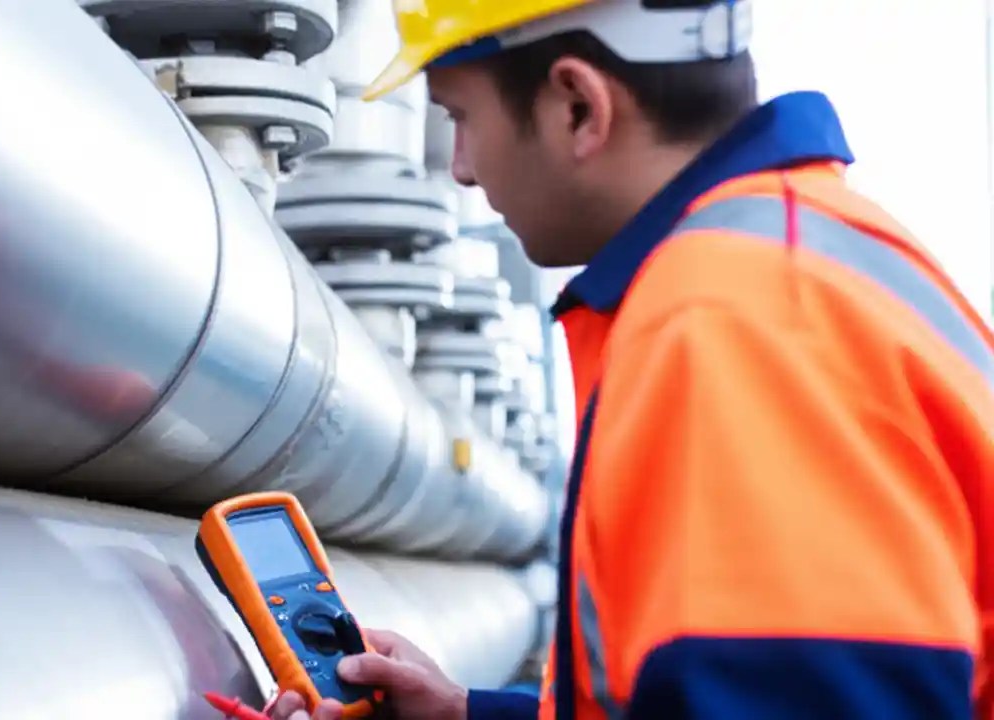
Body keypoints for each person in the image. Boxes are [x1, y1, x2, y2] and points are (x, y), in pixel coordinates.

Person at [271, 0, 994, 718]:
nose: (459, 169)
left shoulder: (732, 323)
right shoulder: (791, 256)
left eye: (460, 117)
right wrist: (466, 714)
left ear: (579, 106)